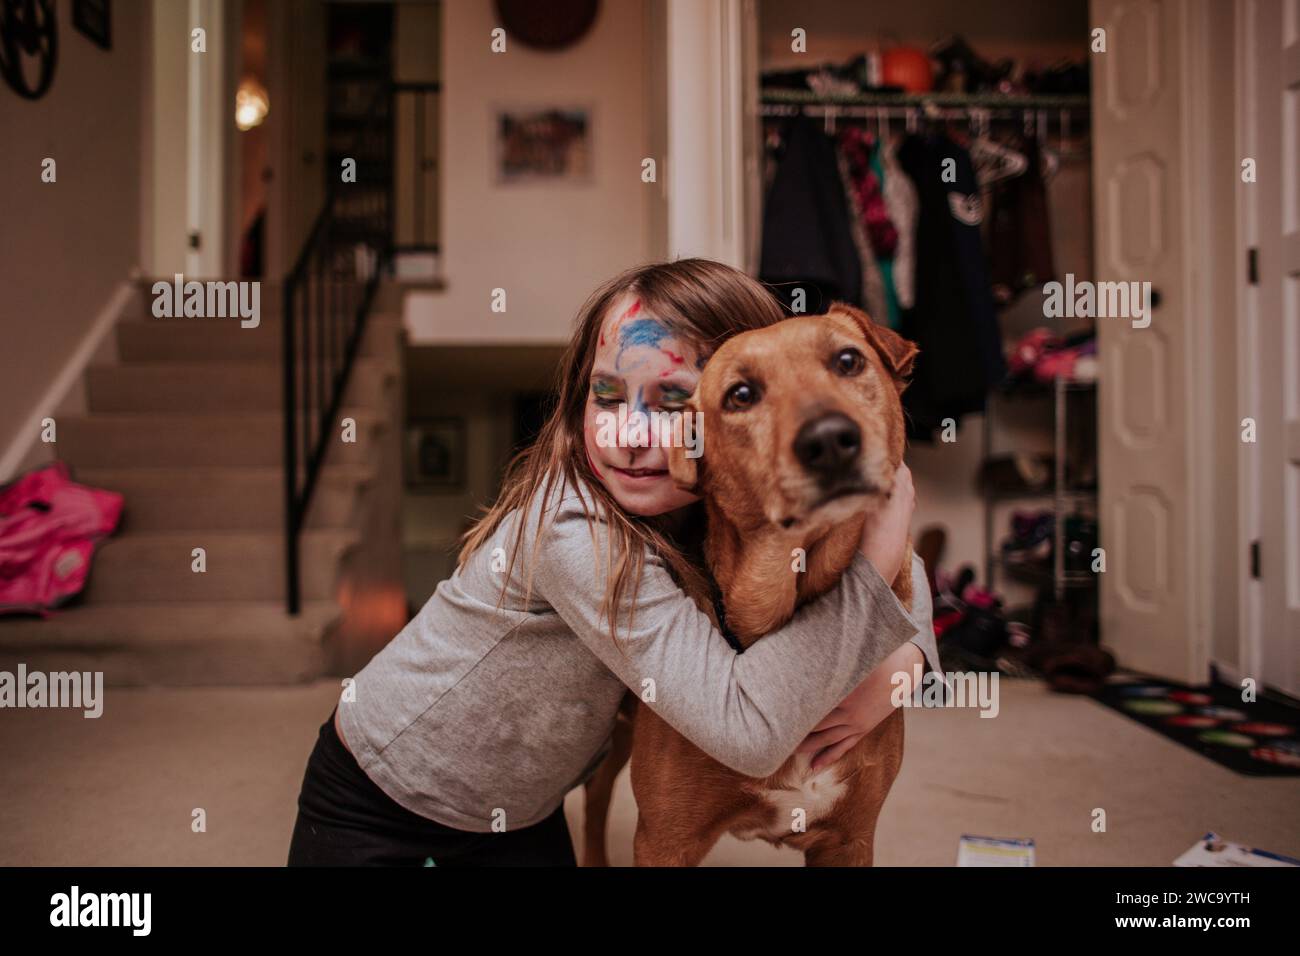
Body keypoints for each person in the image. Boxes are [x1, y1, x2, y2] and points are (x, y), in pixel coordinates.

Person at [287, 258, 939, 866]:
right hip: (381, 798)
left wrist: (907, 659)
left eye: (672, 402)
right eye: (606, 395)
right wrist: (878, 565)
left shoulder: (710, 508)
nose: (629, 435)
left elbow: (876, 558)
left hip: (523, 812)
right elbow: (746, 727)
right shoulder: (570, 531)